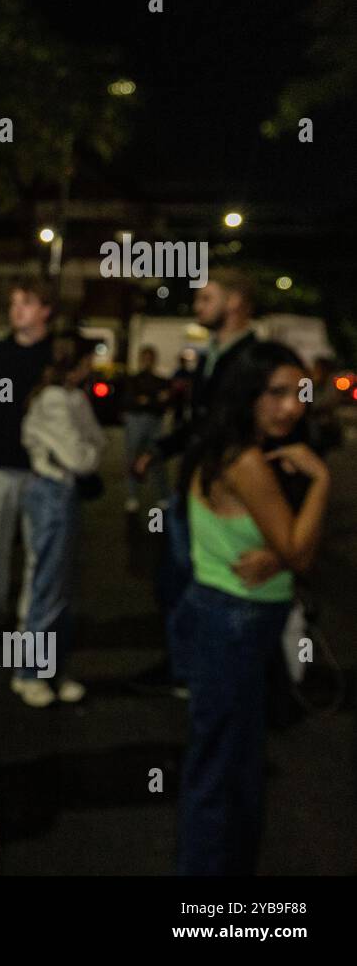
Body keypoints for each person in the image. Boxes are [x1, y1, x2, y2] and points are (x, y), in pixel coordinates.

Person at [173, 341, 328, 875]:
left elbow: (261, 546)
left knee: (230, 765)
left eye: (299, 393)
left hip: (222, 617)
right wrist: (322, 483)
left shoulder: (227, 447)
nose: (293, 406)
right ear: (247, 393)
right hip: (235, 623)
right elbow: (301, 553)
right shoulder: (246, 461)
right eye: (276, 393)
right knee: (221, 772)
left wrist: (278, 556)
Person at [133, 270, 259, 687]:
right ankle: (183, 666)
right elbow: (202, 424)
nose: (197, 306)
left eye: (207, 299)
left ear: (235, 302)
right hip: (195, 486)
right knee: (177, 579)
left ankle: (200, 671)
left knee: (204, 586)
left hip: (223, 495)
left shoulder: (256, 361)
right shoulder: (212, 355)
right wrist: (160, 450)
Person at [13, 335, 105, 706]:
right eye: (89, 359)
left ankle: (52, 669)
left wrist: (89, 449)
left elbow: (96, 445)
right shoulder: (53, 400)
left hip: (62, 493)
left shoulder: (74, 398)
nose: (93, 366)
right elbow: (83, 456)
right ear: (77, 362)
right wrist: (90, 449)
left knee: (62, 587)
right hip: (50, 492)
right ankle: (30, 672)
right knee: (48, 584)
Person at [0, 278, 55, 623]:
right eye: (13, 302)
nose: (16, 309)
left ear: (45, 310)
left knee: (39, 553)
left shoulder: (54, 359)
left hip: (41, 470)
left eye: (26, 302)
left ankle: (31, 621)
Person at [121, 345, 172, 513]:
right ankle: (132, 496)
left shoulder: (159, 380)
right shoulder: (134, 380)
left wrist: (147, 400)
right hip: (137, 421)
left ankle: (162, 496)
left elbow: (163, 401)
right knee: (133, 457)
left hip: (154, 421)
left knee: (156, 457)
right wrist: (153, 399)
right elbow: (132, 400)